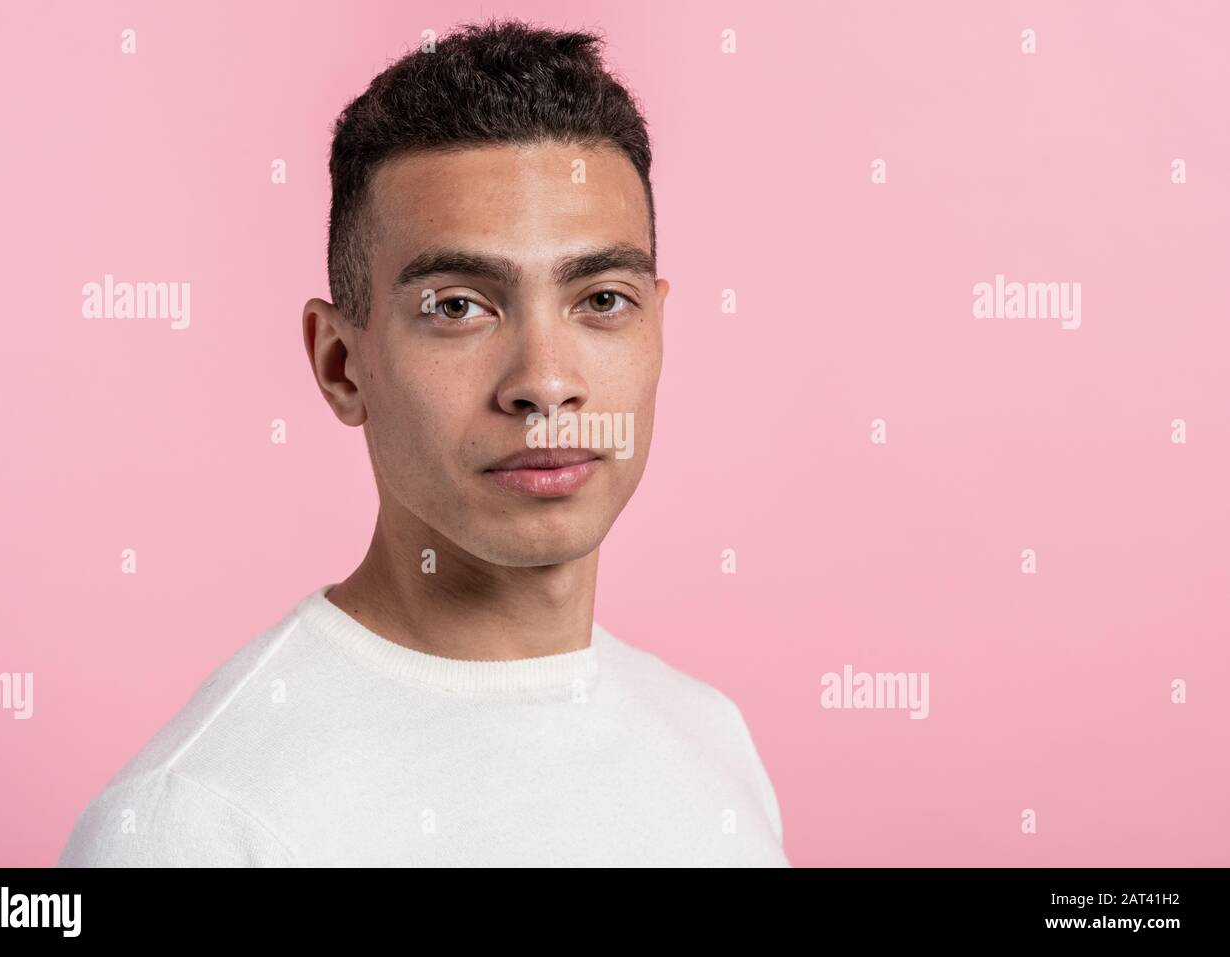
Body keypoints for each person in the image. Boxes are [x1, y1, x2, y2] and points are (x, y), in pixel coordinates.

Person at [57, 17, 789, 867]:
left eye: (600, 299)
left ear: (658, 329)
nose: (545, 383)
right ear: (341, 364)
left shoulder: (712, 740)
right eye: (457, 306)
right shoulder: (196, 823)